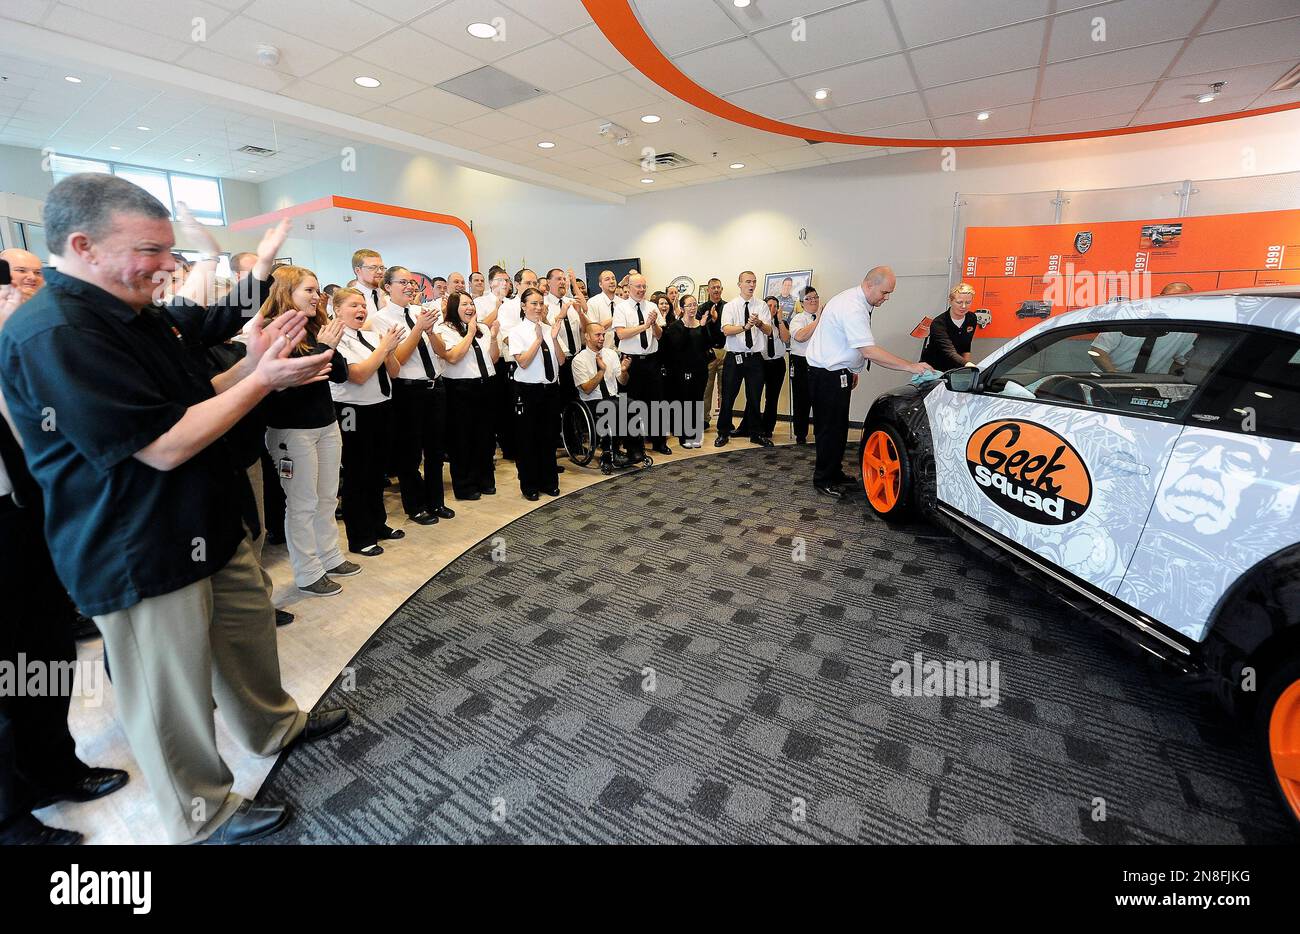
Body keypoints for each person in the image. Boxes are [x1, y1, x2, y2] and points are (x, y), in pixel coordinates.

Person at [0, 174, 349, 845]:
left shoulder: (132, 308)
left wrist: (254, 361)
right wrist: (263, 381)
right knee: (170, 695)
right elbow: (160, 446)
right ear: (83, 245)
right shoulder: (58, 332)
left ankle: (271, 724)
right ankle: (201, 812)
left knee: (246, 632)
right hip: (137, 541)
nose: (168, 265)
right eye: (152, 250)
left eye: (169, 250)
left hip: (202, 519)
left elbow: (202, 368)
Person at [0, 279, 130, 846]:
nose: (22, 290)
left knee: (45, 649)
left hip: (24, 515)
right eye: (13, 280)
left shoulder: (16, 347)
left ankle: (56, 769)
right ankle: (9, 821)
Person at [259, 269, 356, 594]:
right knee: (302, 504)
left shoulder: (316, 329)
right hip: (291, 431)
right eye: (309, 290)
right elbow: (283, 386)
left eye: (317, 290)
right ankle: (308, 572)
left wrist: (328, 345)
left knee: (328, 497)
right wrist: (321, 350)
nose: (317, 296)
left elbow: (340, 375)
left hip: (326, 424)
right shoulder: (272, 334)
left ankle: (330, 557)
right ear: (287, 293)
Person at [806, 266, 934, 497]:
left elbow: (846, 343)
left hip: (837, 372)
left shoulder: (854, 300)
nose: (886, 298)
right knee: (829, 430)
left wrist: (852, 370)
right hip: (826, 375)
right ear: (869, 284)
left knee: (838, 428)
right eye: (885, 293)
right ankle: (823, 479)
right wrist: (910, 366)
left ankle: (833, 472)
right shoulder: (852, 307)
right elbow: (869, 351)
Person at [376, 266, 455, 526]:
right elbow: (396, 358)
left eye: (412, 282)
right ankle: (415, 505)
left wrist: (430, 330)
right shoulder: (382, 319)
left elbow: (442, 352)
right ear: (387, 287)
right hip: (408, 390)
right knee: (410, 452)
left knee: (435, 450)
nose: (410, 287)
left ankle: (436, 501)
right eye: (403, 282)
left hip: (436, 386)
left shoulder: (420, 312)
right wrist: (418, 329)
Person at [330, 287, 403, 556]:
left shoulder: (371, 336)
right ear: (337, 310)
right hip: (353, 410)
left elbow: (393, 372)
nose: (361, 310)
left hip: (381, 406)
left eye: (363, 306)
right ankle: (360, 536)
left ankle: (377, 523)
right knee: (357, 472)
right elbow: (358, 375)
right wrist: (384, 347)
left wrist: (389, 350)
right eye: (353, 306)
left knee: (376, 471)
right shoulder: (335, 339)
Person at [434, 291, 500, 500]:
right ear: (454, 308)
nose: (470, 308)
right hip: (460, 388)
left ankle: (485, 480)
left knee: (485, 437)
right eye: (464, 304)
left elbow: (493, 358)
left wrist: (494, 337)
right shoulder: (444, 329)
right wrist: (470, 333)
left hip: (486, 385)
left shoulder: (482, 328)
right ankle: (465, 485)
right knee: (462, 439)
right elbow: (452, 357)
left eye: (471, 303)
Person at [509, 286, 564, 500]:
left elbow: (560, 361)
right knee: (528, 440)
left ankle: (549, 482)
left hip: (549, 389)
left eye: (541, 303)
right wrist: (538, 340)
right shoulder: (517, 331)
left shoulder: (549, 328)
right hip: (528, 391)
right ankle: (530, 485)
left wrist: (555, 338)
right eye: (533, 303)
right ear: (523, 306)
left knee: (548, 437)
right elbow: (522, 362)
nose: (538, 307)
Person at [613, 274, 670, 457]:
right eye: (638, 286)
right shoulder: (621, 308)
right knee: (632, 404)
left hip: (651, 360)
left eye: (644, 286)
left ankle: (659, 442)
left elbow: (660, 335)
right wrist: (644, 325)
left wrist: (653, 325)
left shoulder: (652, 306)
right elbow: (621, 334)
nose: (642, 290)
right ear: (629, 288)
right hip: (632, 361)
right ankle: (634, 446)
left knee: (656, 401)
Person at [1090, 281, 1197, 374]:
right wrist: (1115, 376)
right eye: (1168, 298)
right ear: (1158, 298)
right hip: (1107, 381)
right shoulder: (1128, 318)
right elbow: (1098, 351)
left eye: (1181, 299)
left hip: (1148, 386)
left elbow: (1183, 361)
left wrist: (1170, 380)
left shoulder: (1185, 332)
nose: (1174, 303)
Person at [715, 271, 771, 448]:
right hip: (734, 357)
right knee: (728, 397)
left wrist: (759, 324)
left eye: (754, 282)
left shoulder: (761, 305)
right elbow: (726, 329)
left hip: (754, 359)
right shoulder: (731, 306)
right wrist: (745, 326)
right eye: (748, 282)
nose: (751, 285)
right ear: (739, 284)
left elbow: (769, 331)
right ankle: (723, 432)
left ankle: (756, 433)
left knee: (754, 397)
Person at [571, 321, 631, 467]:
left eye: (603, 335)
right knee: (612, 407)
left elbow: (623, 382)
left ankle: (634, 450)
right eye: (598, 335)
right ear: (587, 337)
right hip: (592, 400)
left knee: (632, 404)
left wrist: (623, 371)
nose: (602, 338)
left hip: (612, 396)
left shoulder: (611, 354)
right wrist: (601, 371)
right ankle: (609, 451)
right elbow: (586, 389)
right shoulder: (579, 359)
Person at [660, 293, 711, 448]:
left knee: (697, 401)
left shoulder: (701, 324)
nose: (693, 308)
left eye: (695, 304)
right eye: (689, 305)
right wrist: (687, 327)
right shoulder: (675, 327)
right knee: (684, 402)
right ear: (682, 308)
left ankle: (695, 434)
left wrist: (702, 327)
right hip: (681, 371)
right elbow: (677, 347)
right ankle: (684, 436)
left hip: (700, 370)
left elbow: (707, 345)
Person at [788, 285, 820, 444]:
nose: (813, 301)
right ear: (801, 303)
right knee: (801, 400)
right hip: (801, 362)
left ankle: (820, 434)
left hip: (821, 362)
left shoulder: (828, 318)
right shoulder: (799, 318)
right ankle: (800, 435)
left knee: (821, 400)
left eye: (815, 297)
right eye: (809, 299)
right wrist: (818, 319)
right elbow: (801, 336)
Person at [921, 282, 979, 371]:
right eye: (959, 302)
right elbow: (948, 351)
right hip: (934, 367)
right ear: (950, 301)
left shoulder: (972, 318)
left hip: (956, 366)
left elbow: (966, 345)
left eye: (968, 302)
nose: (963, 306)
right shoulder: (939, 323)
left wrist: (966, 369)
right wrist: (967, 364)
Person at [695, 277, 727, 429]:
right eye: (713, 287)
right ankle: (704, 420)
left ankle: (724, 421)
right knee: (706, 389)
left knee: (725, 389)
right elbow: (698, 329)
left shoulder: (728, 307)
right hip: (708, 354)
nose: (716, 290)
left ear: (722, 289)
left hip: (725, 352)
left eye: (718, 287)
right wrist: (711, 320)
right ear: (708, 290)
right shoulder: (701, 309)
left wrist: (718, 319)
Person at [758, 294, 790, 442]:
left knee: (771, 398)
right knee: (755, 396)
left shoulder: (781, 323)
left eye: (775, 306)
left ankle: (767, 428)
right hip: (760, 363)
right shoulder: (759, 323)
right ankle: (752, 426)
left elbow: (786, 338)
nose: (772, 309)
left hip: (777, 364)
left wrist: (780, 320)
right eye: (769, 306)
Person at [585, 268, 619, 347]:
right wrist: (616, 317)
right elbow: (594, 329)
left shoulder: (623, 303)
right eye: (607, 279)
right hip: (603, 349)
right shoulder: (593, 302)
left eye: (613, 278)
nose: (611, 281)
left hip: (623, 349)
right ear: (600, 284)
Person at [352, 249, 387, 318]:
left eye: (382, 268)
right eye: (373, 268)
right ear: (358, 270)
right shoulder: (348, 298)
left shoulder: (389, 296)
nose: (380, 272)